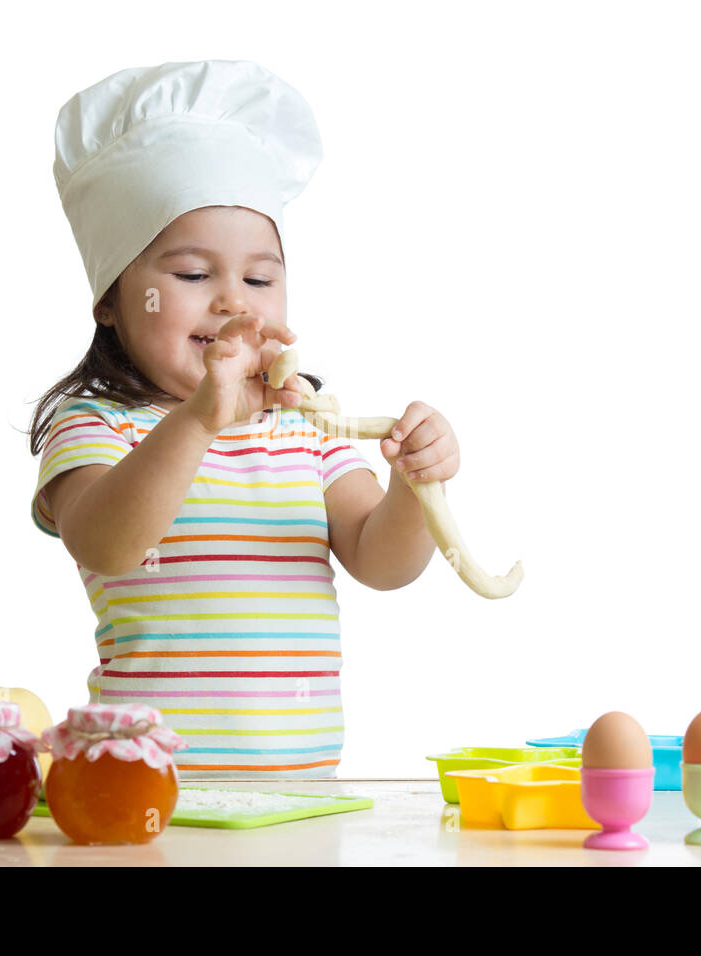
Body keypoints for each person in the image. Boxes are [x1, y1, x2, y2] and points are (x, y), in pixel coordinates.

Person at [26, 60, 460, 779]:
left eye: (260, 278)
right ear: (112, 297)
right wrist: (199, 420)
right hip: (139, 787)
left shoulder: (305, 428)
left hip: (298, 794)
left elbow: (380, 563)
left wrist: (411, 488)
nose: (235, 301)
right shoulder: (95, 423)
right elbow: (105, 543)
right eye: (193, 276)